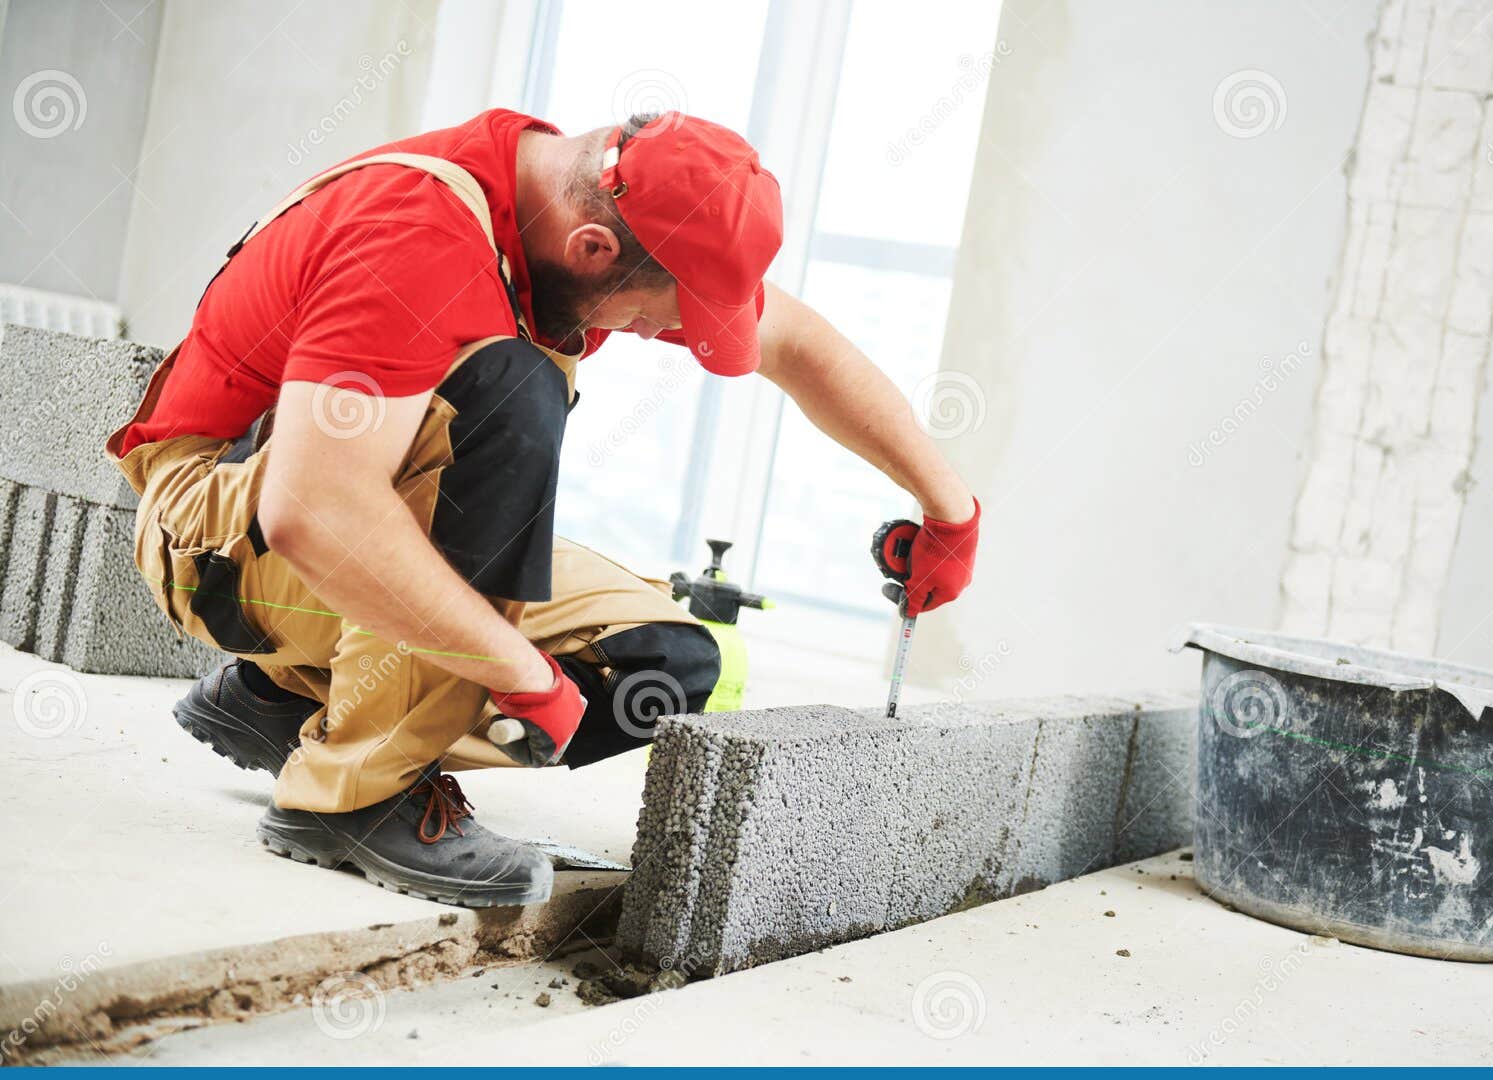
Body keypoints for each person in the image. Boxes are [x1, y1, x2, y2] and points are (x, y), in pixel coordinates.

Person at [105, 108, 980, 907]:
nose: (657, 336)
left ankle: (282, 699)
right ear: (594, 249)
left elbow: (801, 348)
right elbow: (313, 511)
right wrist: (520, 674)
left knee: (662, 666)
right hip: (220, 529)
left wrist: (949, 509)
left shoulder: (582, 226)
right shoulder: (416, 238)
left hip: (332, 523)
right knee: (509, 392)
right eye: (653, 319)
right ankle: (353, 796)